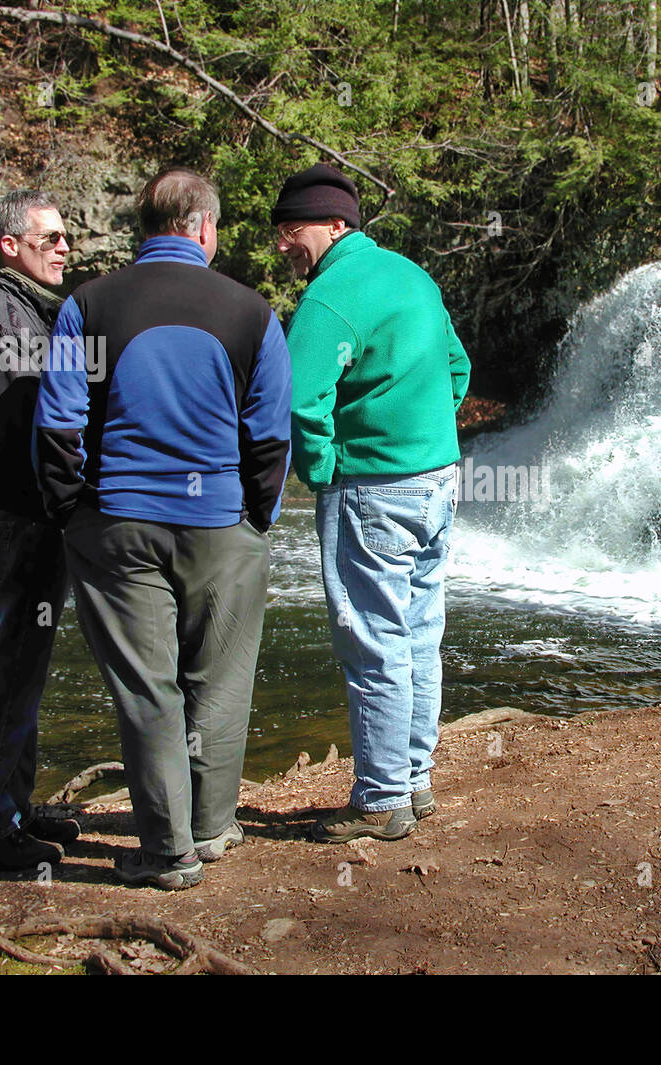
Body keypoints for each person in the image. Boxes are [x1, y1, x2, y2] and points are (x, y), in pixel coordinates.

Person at [34, 168, 292, 889]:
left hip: (117, 521)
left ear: (144, 231)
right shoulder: (252, 312)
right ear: (204, 229)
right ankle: (210, 827)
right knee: (220, 679)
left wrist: (70, 514)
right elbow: (271, 437)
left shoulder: (87, 304)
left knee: (149, 687)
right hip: (219, 523)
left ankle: (167, 850)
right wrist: (255, 518)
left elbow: (57, 428)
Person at [272, 163, 470, 843]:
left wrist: (323, 470)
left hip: (371, 489)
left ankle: (382, 799)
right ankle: (414, 779)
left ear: (333, 224)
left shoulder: (329, 300)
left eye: (289, 229)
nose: (281, 245)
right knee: (417, 630)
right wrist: (425, 436)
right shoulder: (414, 277)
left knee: (373, 636)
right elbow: (458, 367)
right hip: (437, 482)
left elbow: (297, 400)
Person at [0, 189, 79, 871]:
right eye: (49, 238)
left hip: (22, 517)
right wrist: (59, 500)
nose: (64, 247)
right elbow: (19, 429)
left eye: (64, 237)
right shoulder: (4, 316)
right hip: (21, 518)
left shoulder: (22, 308)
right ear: (10, 246)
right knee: (8, 670)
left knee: (21, 668)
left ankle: (11, 808)